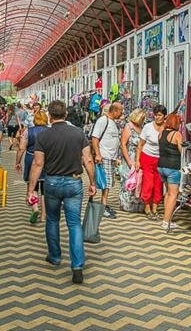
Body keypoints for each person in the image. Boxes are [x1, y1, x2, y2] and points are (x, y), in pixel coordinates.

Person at [27, 100, 96, 285]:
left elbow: (38, 163)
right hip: (74, 182)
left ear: (50, 115)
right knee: (74, 224)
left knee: (52, 219)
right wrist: (93, 182)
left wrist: (31, 189)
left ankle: (55, 256)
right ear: (65, 114)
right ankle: (77, 266)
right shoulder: (78, 133)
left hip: (52, 182)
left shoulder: (44, 136)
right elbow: (88, 160)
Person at [16, 110, 50, 224]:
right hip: (46, 160)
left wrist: (18, 161)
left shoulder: (27, 131)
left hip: (31, 158)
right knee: (45, 190)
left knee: (33, 185)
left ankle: (35, 208)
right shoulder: (50, 131)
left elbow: (21, 148)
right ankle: (44, 216)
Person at [90, 102, 123, 220]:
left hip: (111, 157)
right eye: (120, 111)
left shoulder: (113, 123)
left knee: (108, 182)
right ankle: (102, 207)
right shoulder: (103, 121)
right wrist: (98, 154)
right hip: (104, 156)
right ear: (114, 111)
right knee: (106, 182)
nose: (121, 114)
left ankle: (104, 204)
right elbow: (95, 138)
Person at [135, 104, 166, 219]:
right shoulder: (148, 127)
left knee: (158, 184)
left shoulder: (166, 127)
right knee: (148, 183)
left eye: (160, 115)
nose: (157, 117)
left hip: (160, 159)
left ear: (164, 116)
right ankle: (147, 207)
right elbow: (140, 145)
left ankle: (155, 208)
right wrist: (137, 161)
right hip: (147, 157)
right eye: (156, 115)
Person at [158, 114, 183, 231]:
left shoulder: (161, 133)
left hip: (161, 166)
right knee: (173, 195)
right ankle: (166, 222)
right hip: (173, 168)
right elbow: (181, 150)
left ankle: (166, 218)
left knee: (167, 193)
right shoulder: (177, 134)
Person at [118, 108, 146, 212]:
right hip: (129, 156)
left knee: (138, 181)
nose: (143, 120)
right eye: (142, 118)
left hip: (139, 158)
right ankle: (126, 205)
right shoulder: (128, 126)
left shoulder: (142, 128)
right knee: (128, 180)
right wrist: (129, 161)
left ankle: (137, 205)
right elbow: (123, 145)